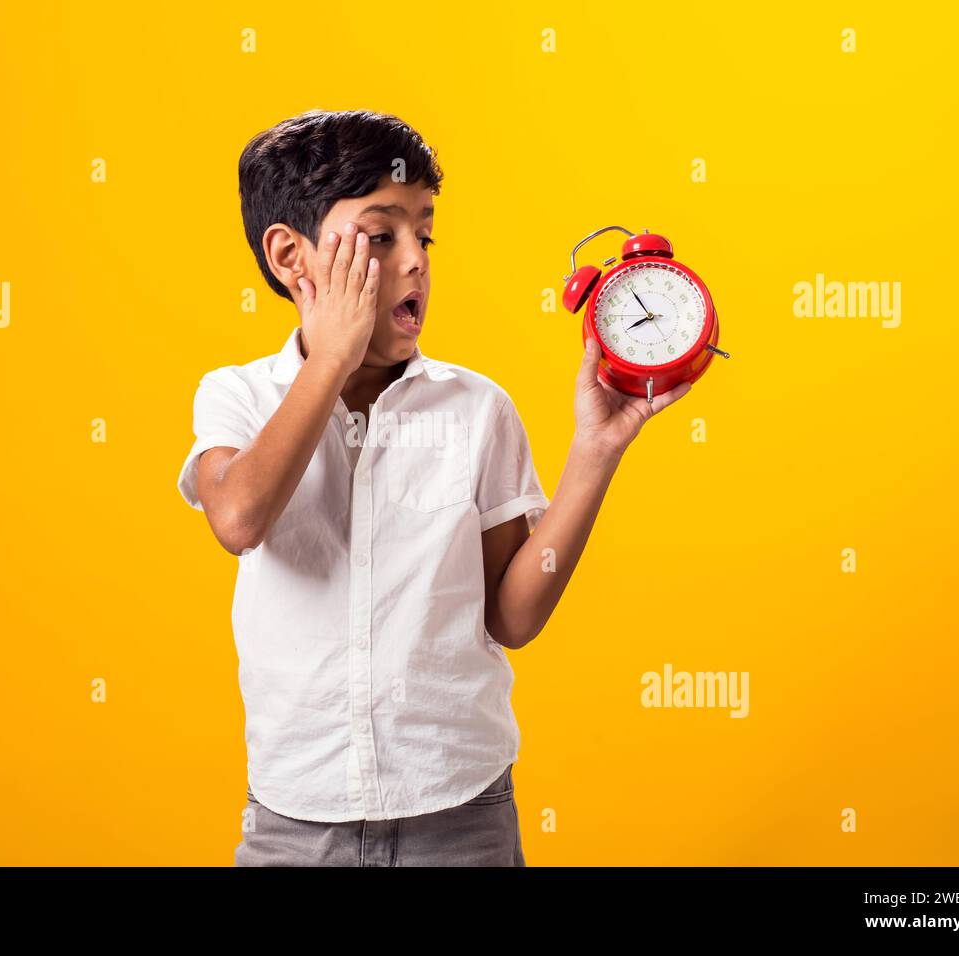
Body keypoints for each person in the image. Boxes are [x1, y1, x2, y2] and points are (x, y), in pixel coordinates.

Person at [177, 109, 691, 866]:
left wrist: (596, 448)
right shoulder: (239, 397)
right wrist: (332, 358)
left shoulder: (476, 409)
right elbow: (240, 517)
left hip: (460, 817)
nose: (416, 260)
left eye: (426, 233)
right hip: (295, 823)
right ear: (291, 257)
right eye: (381, 237)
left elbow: (512, 616)